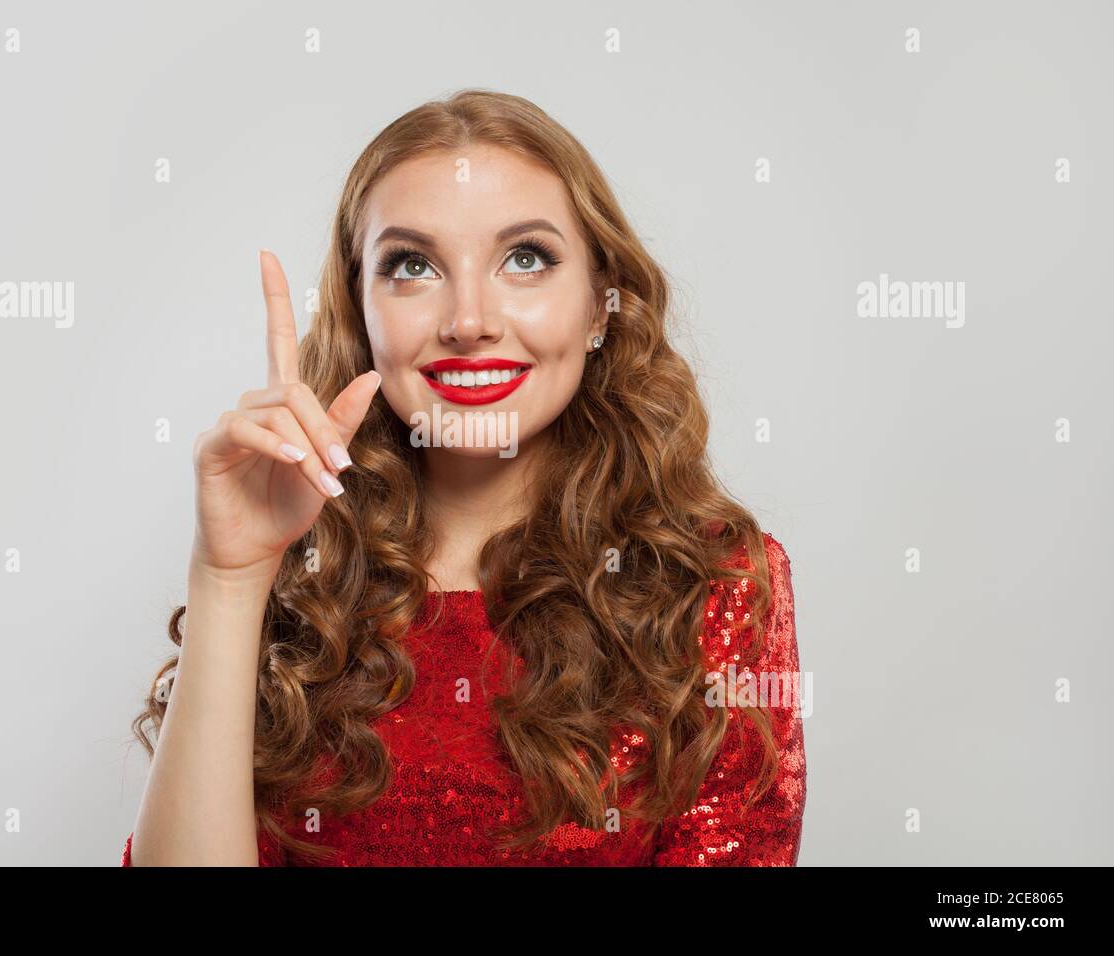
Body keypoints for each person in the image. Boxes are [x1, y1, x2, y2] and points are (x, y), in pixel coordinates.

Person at [123, 89, 805, 866]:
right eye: (412, 266)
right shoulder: (294, 573)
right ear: (361, 314)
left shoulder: (713, 582)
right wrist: (231, 577)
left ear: (598, 308)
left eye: (526, 258)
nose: (469, 319)